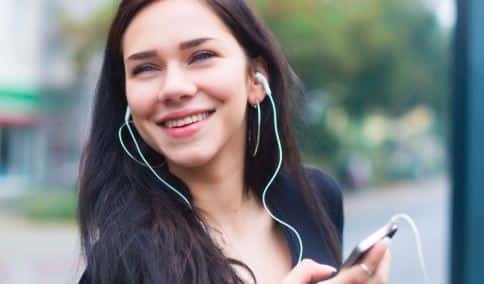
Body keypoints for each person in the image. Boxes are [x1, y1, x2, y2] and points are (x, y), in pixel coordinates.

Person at [77, 0, 391, 283]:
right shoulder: (121, 263)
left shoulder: (314, 198)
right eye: (145, 68)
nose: (174, 88)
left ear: (255, 79)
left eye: (201, 56)